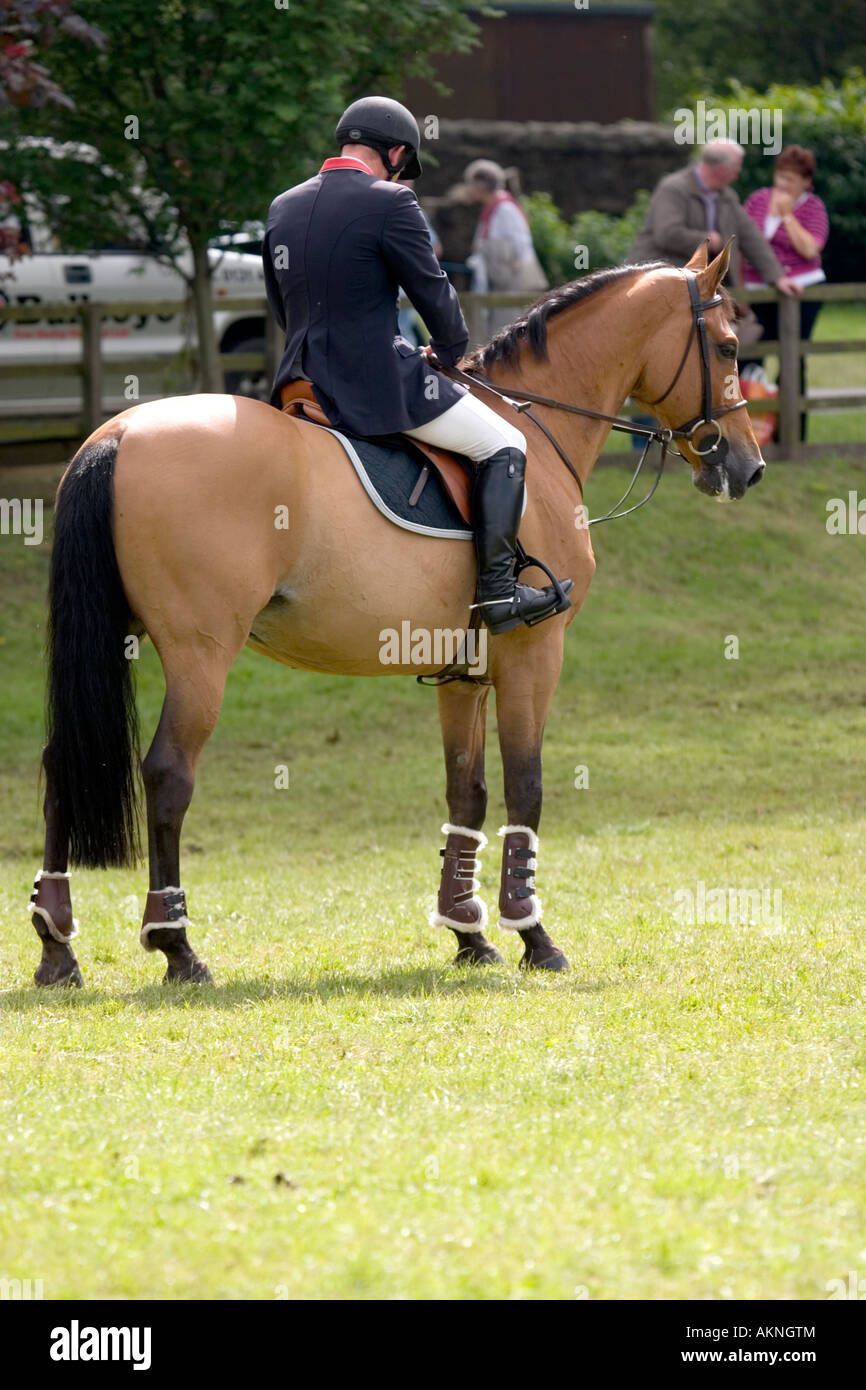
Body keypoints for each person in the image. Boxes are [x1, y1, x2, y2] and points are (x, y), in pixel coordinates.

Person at [262, 96, 570, 635]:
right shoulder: (391, 203)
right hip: (373, 385)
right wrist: (448, 352)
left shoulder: (282, 206)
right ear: (397, 152)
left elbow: (280, 303)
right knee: (506, 445)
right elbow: (434, 296)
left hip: (298, 379)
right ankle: (498, 595)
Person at [629, 139, 800, 298]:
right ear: (720, 169)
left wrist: (777, 277)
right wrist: (709, 241)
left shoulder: (727, 196)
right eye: (735, 169)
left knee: (741, 326)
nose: (736, 176)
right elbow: (667, 234)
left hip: (698, 284)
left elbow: (751, 236)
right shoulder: (674, 189)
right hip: (659, 279)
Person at [741, 146, 829, 440]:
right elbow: (740, 239)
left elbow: (810, 248)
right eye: (780, 176)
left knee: (793, 359)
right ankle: (750, 431)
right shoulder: (756, 200)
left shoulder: (812, 207)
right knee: (749, 358)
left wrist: (787, 216)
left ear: (806, 182)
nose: (783, 184)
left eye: (791, 179)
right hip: (756, 292)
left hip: (801, 293)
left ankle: (792, 435)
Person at [462, 159, 548, 334]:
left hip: (511, 281)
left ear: (480, 185)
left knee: (507, 329)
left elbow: (522, 243)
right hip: (496, 279)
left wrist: (514, 270)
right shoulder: (491, 209)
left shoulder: (505, 208)